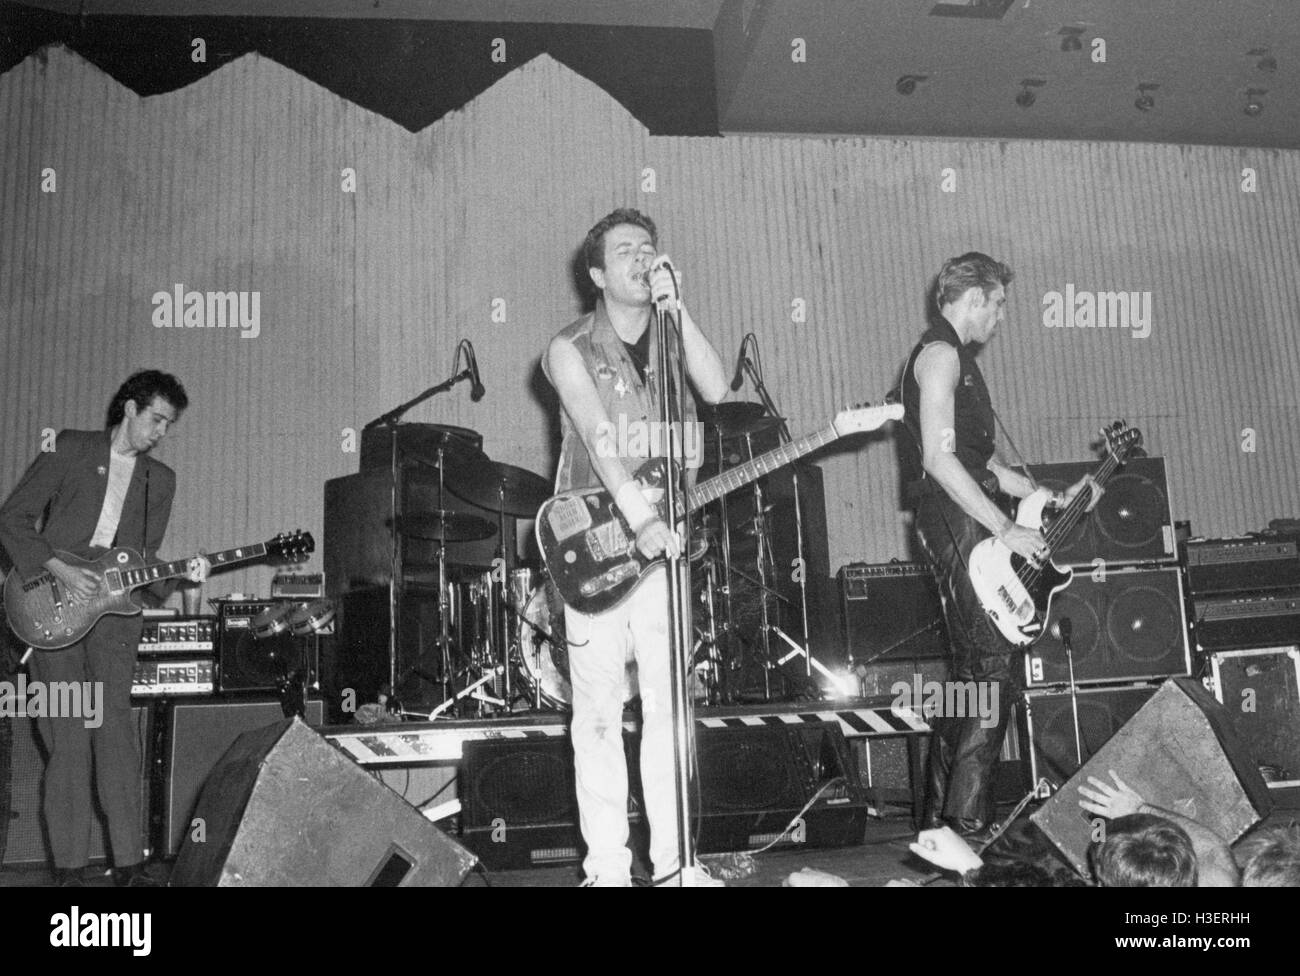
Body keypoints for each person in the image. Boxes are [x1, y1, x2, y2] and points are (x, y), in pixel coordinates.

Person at [544, 208, 728, 886]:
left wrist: (678, 311)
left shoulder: (669, 341)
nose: (642, 258)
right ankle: (608, 872)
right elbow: (597, 438)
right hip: (593, 545)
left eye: (649, 248)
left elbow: (717, 388)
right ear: (597, 273)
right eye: (626, 250)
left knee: (666, 707)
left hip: (666, 549)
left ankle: (677, 865)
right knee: (595, 715)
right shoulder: (569, 346)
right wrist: (639, 517)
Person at [897, 252, 1099, 838]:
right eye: (1000, 303)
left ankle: (940, 821)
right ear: (975, 297)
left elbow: (983, 466)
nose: (1002, 317)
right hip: (952, 519)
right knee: (992, 661)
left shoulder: (958, 361)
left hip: (962, 517)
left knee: (970, 673)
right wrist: (1007, 528)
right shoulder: (939, 356)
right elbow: (938, 459)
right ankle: (966, 824)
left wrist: (1044, 497)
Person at [0, 370, 209, 886]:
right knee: (68, 741)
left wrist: (186, 576)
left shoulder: (159, 482)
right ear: (130, 409)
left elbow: (143, 561)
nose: (161, 432)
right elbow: (13, 518)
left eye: (169, 424)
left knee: (117, 738)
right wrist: (59, 568)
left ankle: (130, 867)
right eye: (156, 419)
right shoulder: (70, 449)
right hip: (51, 606)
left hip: (114, 620)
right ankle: (69, 873)